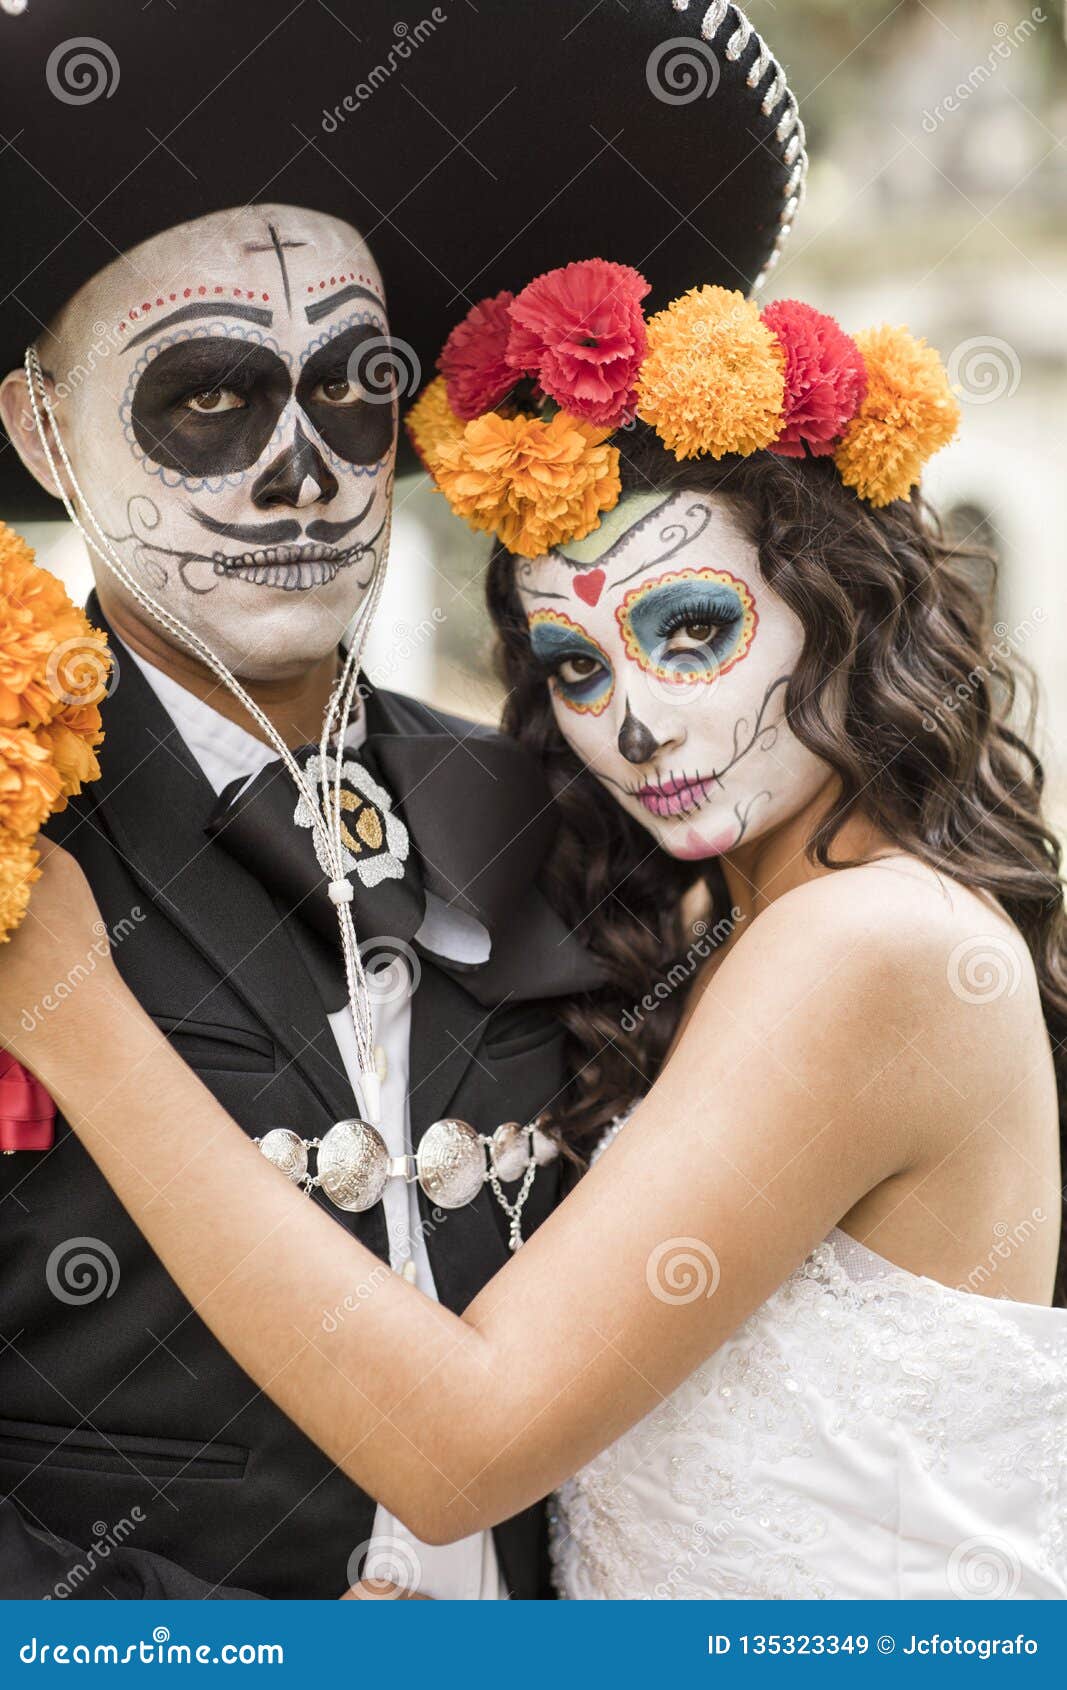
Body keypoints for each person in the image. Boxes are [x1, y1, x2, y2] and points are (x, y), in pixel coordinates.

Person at [5, 257, 1065, 1602]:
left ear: (841, 599)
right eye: (577, 664)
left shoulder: (860, 948)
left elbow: (465, 1445)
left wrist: (76, 1013)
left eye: (692, 630)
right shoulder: (697, 908)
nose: (634, 719)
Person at [0, 0, 808, 1602]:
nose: (304, 470)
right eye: (213, 396)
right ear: (44, 431)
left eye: (355, 386)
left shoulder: (568, 807)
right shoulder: (19, 852)